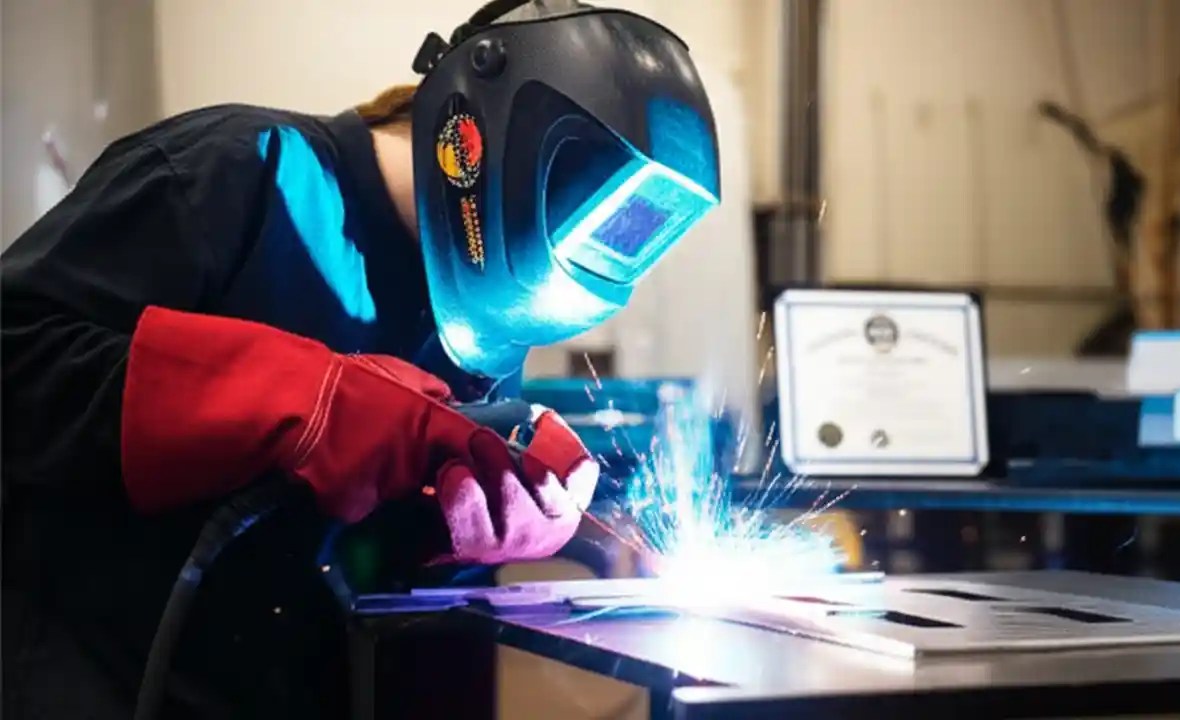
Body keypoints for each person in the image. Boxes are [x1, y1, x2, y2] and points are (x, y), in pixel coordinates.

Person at [1, 1, 721, 718]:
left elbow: (362, 553)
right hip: (101, 682)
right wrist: (289, 401)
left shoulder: (483, 320)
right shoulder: (237, 172)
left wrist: (462, 526)